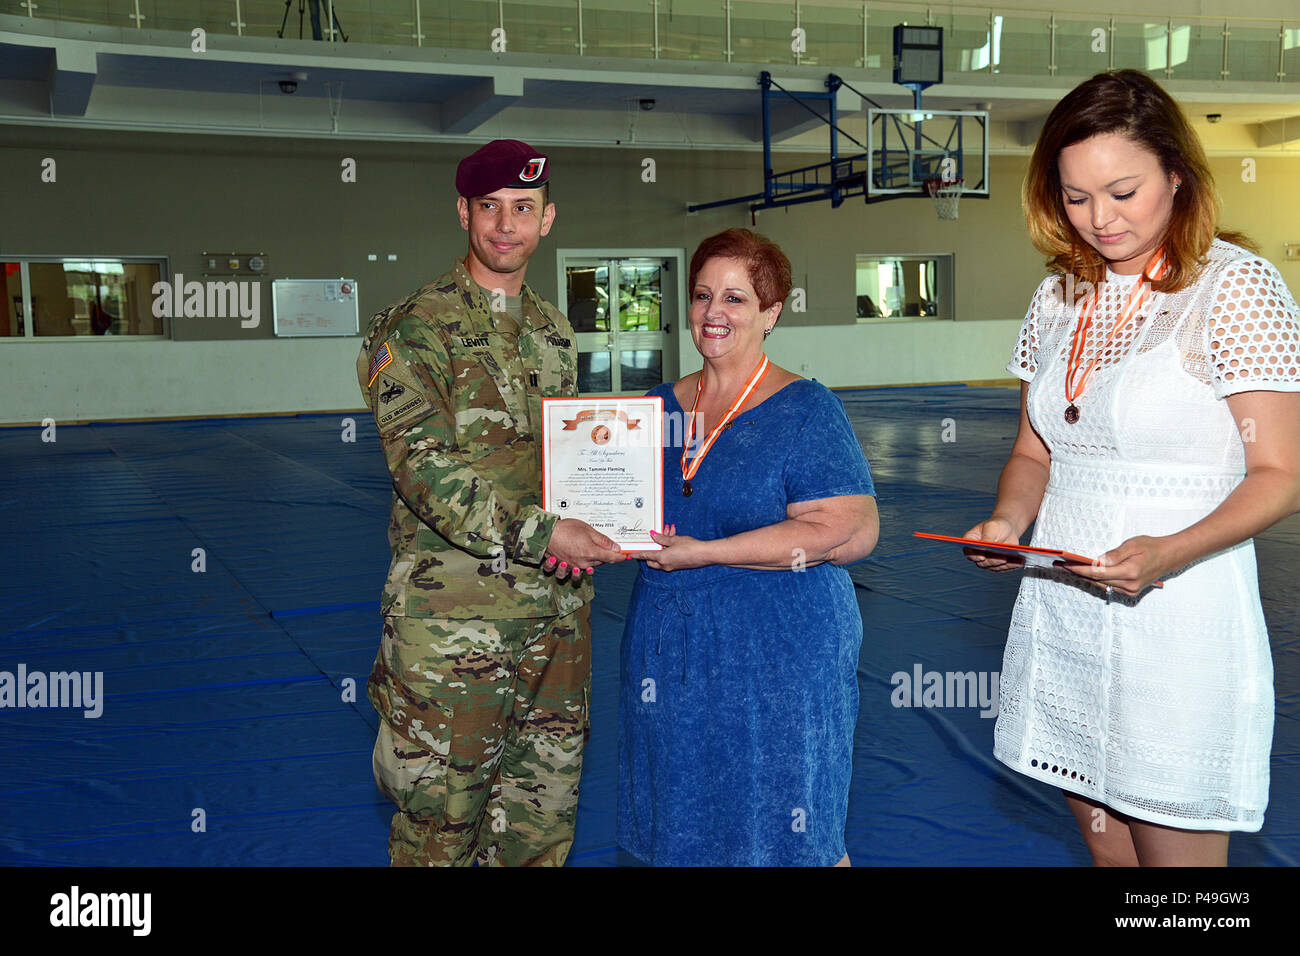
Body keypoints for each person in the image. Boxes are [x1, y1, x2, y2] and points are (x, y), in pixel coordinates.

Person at [964, 70, 1300, 866]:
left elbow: (1281, 473)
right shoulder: (1058, 298)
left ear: (1177, 175)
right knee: (1108, 856)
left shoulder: (1235, 286)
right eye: (1076, 197)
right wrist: (1011, 523)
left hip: (1176, 616)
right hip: (1066, 610)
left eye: (1122, 191)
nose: (1100, 219)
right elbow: (1034, 448)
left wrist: (1167, 553)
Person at [355, 139, 624, 866]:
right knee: (439, 833)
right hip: (452, 633)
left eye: (523, 209)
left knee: (541, 825)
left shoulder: (553, 330)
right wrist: (547, 533)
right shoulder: (413, 328)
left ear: (548, 218)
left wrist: (614, 509)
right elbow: (423, 470)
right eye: (490, 208)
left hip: (556, 622)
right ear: (463, 214)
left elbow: (567, 463)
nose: (507, 225)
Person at [619, 228, 879, 866]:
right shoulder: (655, 408)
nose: (714, 313)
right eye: (703, 295)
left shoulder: (806, 408)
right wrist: (583, 533)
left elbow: (841, 529)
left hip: (779, 652)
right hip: (671, 649)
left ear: (771, 311)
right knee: (682, 818)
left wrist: (706, 551)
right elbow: (625, 510)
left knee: (794, 825)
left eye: (735, 299)